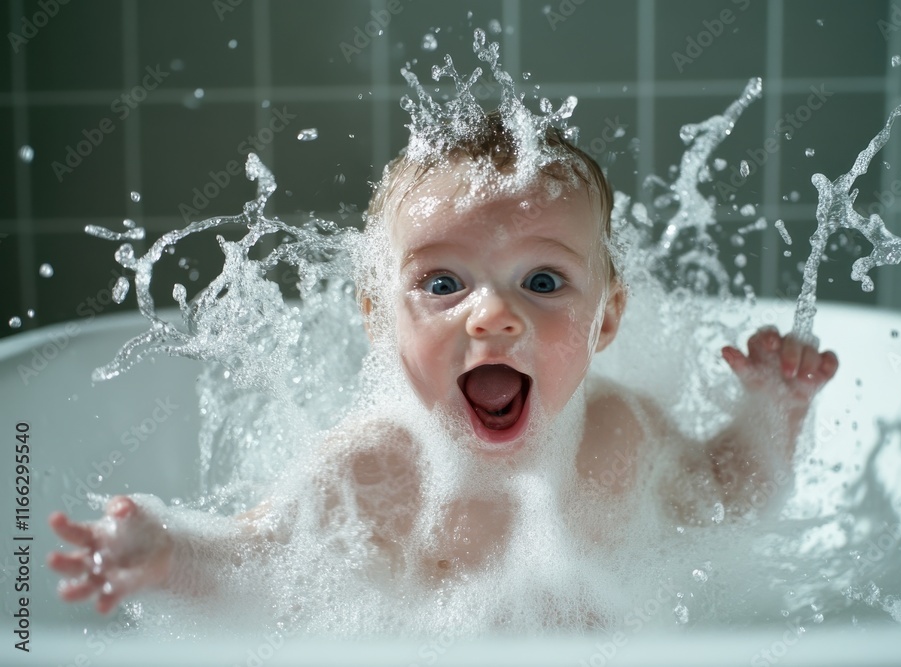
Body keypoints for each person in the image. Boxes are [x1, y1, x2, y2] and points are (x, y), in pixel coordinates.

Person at [48, 111, 838, 614]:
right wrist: (168, 551)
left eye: (543, 281)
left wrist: (773, 413)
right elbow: (256, 564)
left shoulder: (622, 432)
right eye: (441, 283)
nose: (492, 315)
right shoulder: (371, 469)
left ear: (606, 319)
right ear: (378, 316)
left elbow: (726, 497)